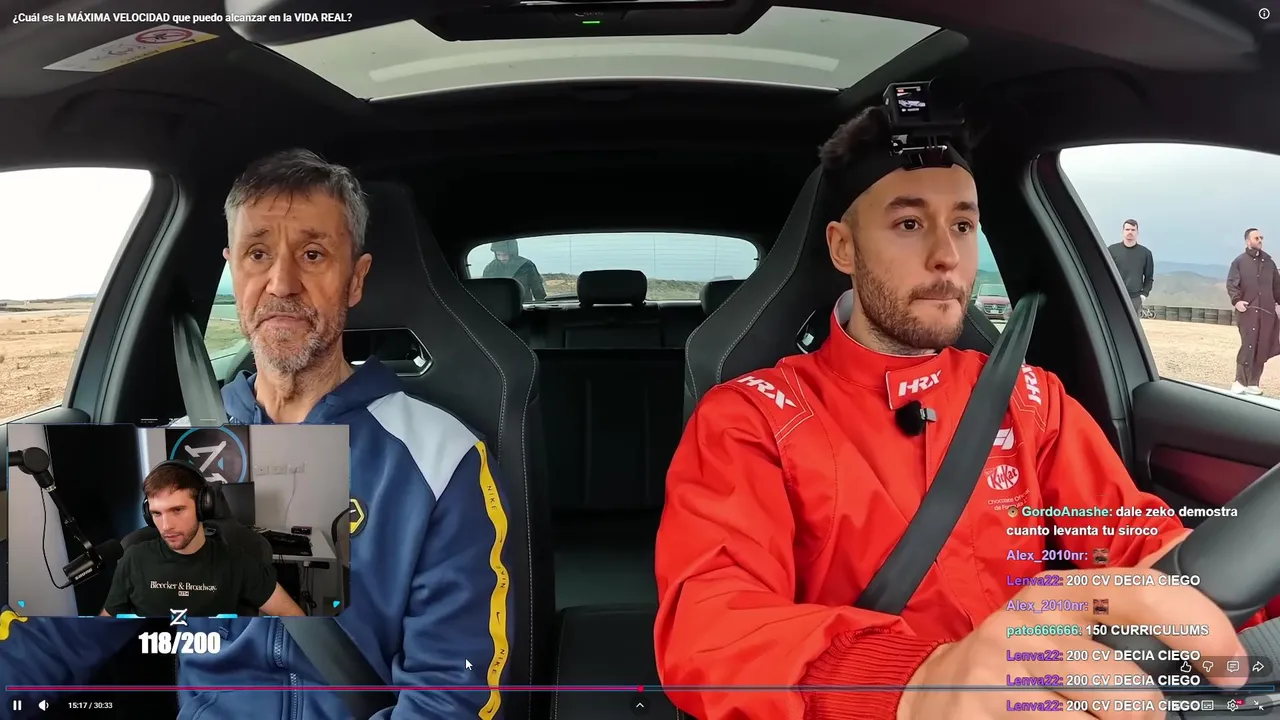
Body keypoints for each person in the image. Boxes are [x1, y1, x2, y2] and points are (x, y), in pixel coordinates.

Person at [653, 107, 1270, 720]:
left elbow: (1136, 542)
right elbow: (712, 622)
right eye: (909, 223)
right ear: (844, 247)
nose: (946, 255)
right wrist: (917, 682)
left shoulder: (1030, 400)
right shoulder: (753, 417)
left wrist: (1231, 592)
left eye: (964, 224)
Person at [1, 149, 516, 719]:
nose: (282, 283)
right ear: (234, 268)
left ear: (355, 280)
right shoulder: (170, 452)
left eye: (313, 254)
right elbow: (53, 636)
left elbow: (449, 695)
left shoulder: (441, 460)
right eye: (258, 253)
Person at [99, 463, 303, 619]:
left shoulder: (237, 563)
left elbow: (295, 618)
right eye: (156, 513)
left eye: (177, 510)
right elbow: (105, 627)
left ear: (202, 507)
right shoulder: (133, 559)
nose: (166, 526)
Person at [1226, 227, 1280, 395]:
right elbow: (1232, 284)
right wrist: (1237, 301)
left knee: (1262, 346)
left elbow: (1277, 288)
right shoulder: (1239, 262)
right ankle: (1239, 381)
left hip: (1267, 314)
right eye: (1256, 238)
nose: (1260, 240)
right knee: (1248, 345)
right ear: (1247, 241)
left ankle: (1253, 383)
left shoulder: (1269, 263)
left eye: (1261, 238)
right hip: (1247, 312)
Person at [1107, 218, 1155, 315]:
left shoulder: (1145, 253)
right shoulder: (1111, 250)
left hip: (1135, 299)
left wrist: (1144, 295)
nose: (1130, 232)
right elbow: (1104, 273)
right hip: (1114, 296)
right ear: (1123, 231)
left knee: (1131, 324)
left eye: (1133, 230)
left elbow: (1149, 277)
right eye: (1127, 229)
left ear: (1137, 232)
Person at [482, 239, 547, 301]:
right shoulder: (489, 269)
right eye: (498, 255)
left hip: (524, 306)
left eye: (505, 255)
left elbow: (538, 291)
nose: (502, 258)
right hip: (498, 306)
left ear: (512, 253)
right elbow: (485, 292)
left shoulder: (527, 266)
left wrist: (541, 306)